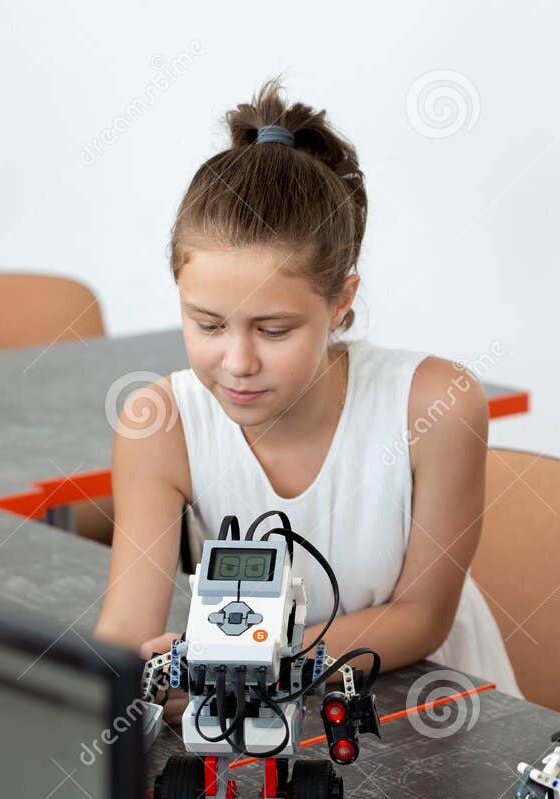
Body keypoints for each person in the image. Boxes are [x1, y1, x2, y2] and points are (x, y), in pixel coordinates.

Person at [94, 80, 520, 710]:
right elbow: (126, 635)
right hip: (256, 701)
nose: (237, 363)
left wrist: (241, 664)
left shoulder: (435, 403)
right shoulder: (159, 425)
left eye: (274, 330)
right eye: (207, 325)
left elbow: (422, 618)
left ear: (340, 301)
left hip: (424, 703)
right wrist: (127, 682)